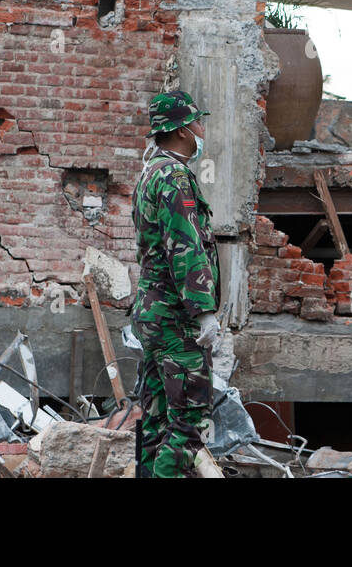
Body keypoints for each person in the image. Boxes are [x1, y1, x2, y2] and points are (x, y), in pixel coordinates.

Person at [131, 89, 221, 478]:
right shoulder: (174, 176)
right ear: (184, 130)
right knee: (188, 425)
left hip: (154, 316)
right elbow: (184, 247)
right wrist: (203, 312)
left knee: (155, 423)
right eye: (198, 122)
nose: (203, 130)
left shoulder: (150, 172)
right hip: (175, 320)